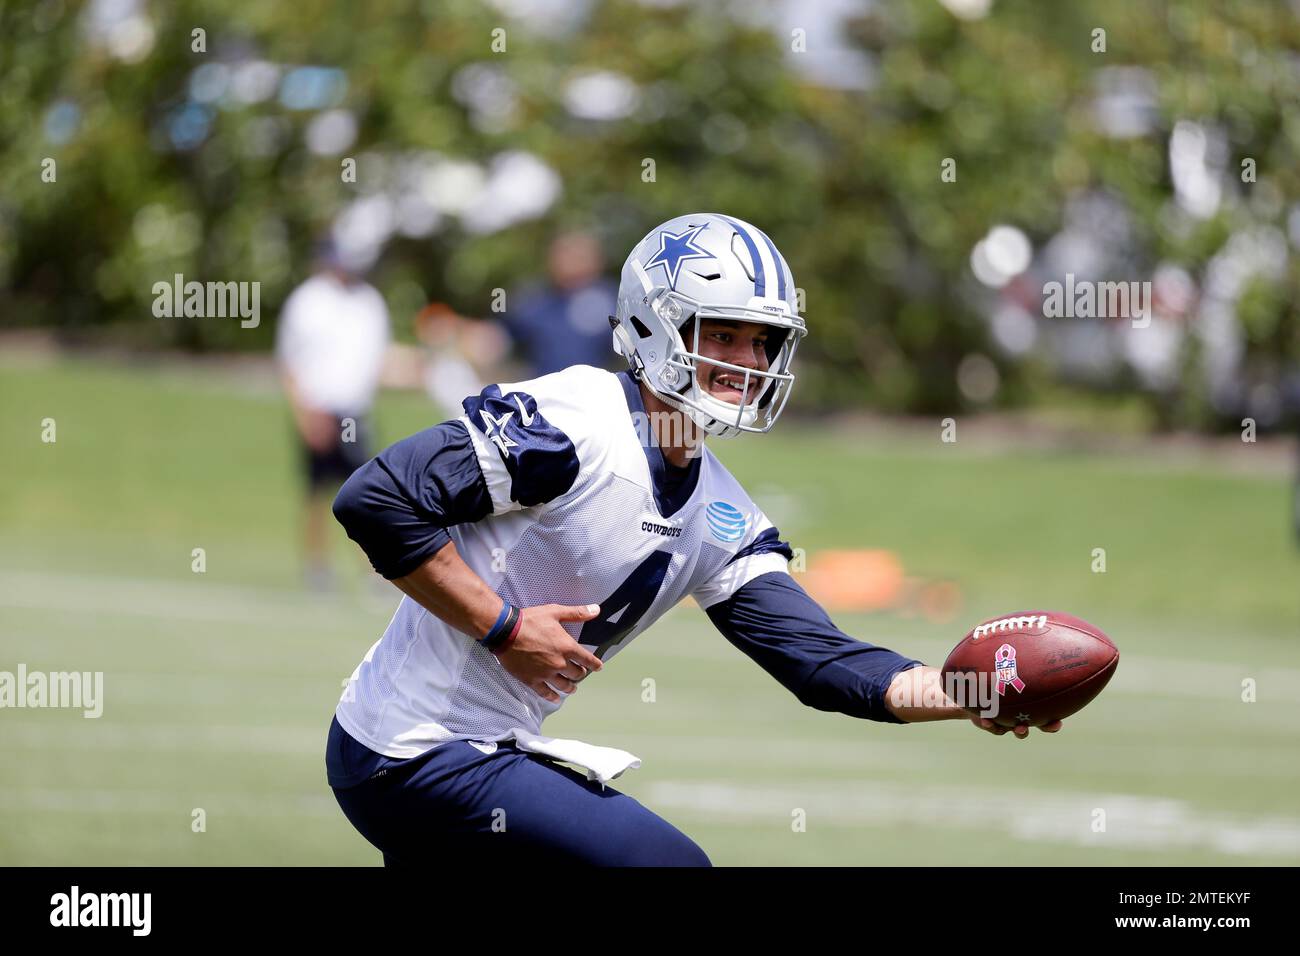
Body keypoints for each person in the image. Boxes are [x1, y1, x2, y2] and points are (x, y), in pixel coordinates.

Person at [325, 213, 1061, 867]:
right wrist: (504, 627)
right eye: (726, 335)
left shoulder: (721, 510)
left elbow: (819, 662)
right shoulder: (576, 422)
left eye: (764, 341)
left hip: (468, 753)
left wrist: (972, 694)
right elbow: (378, 499)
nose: (749, 362)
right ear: (657, 325)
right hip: (414, 749)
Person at [275, 241, 390, 591]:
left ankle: (374, 571)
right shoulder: (307, 301)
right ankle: (317, 568)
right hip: (318, 409)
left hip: (355, 412)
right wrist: (305, 412)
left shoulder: (370, 303)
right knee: (317, 492)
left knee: (365, 491)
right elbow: (290, 362)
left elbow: (376, 360)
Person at [502, 230, 618, 375]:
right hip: (543, 391)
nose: (569, 262)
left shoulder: (614, 298)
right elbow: (499, 335)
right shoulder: (533, 299)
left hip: (599, 391)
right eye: (564, 254)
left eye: (578, 256)